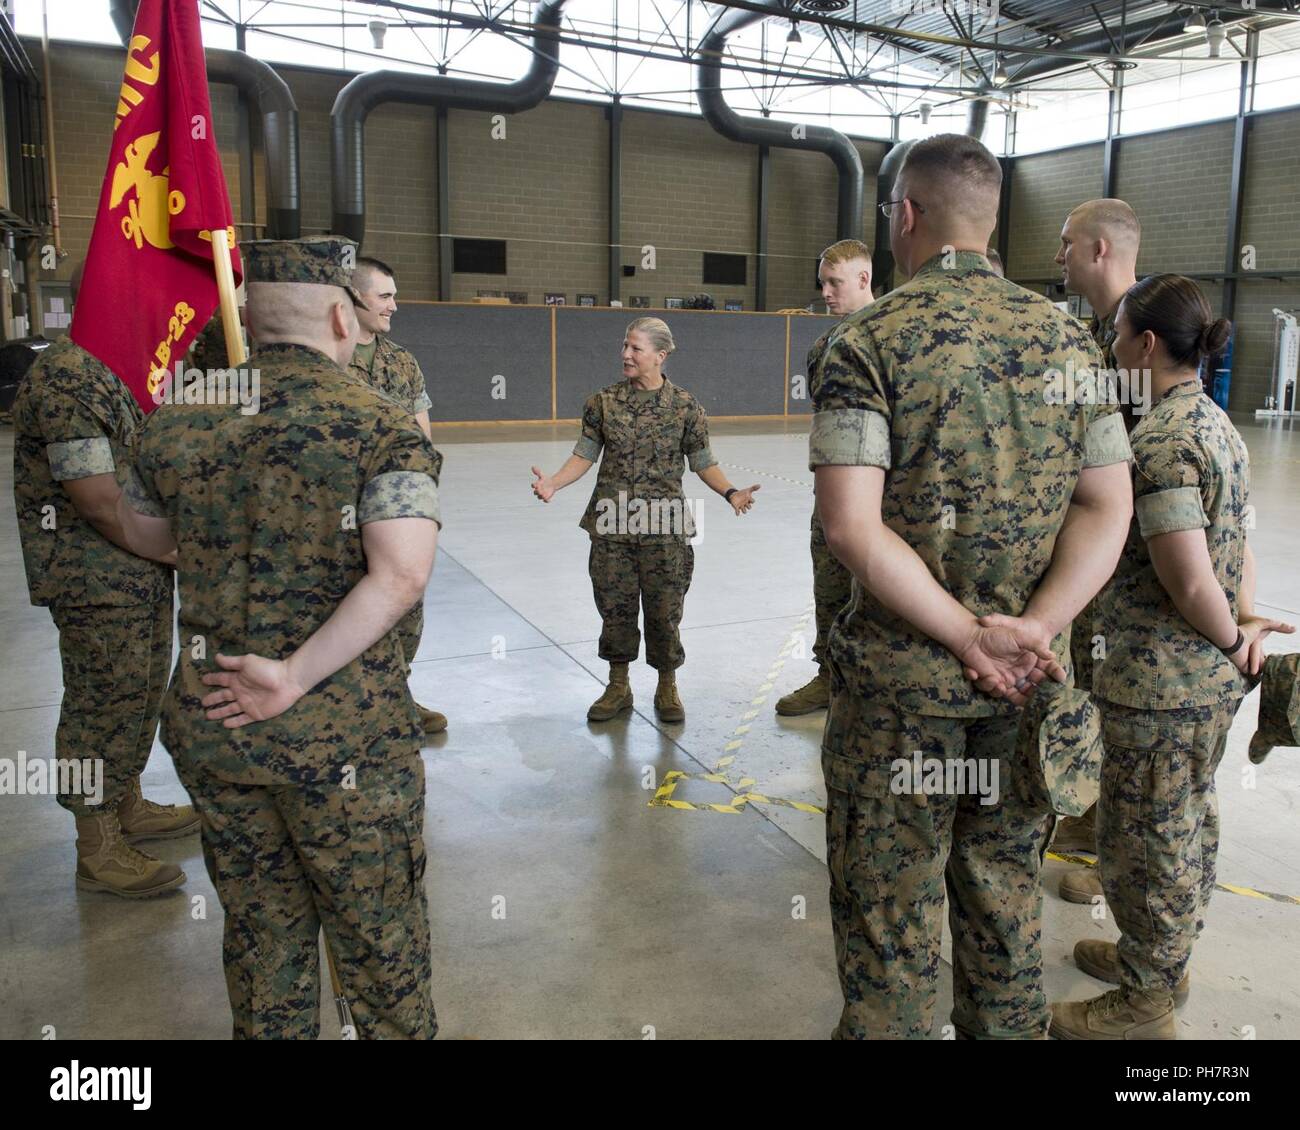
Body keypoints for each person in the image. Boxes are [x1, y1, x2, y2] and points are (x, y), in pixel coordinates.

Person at [810, 133, 1133, 1038]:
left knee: (890, 916)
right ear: (990, 225)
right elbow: (1109, 507)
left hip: (902, 699)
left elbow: (851, 526)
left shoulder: (866, 342)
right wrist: (1035, 627)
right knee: (1001, 900)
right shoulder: (1072, 339)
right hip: (1029, 690)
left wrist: (964, 635)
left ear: (906, 216)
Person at [115, 237, 443, 1039]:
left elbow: (141, 530)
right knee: (378, 941)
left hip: (216, 724)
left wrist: (236, 543)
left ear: (250, 322)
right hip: (344, 735)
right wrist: (294, 673)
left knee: (264, 937)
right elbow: (400, 575)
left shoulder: (174, 420)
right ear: (341, 315)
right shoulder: (381, 425)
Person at [1050, 275, 1293, 1040]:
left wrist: (1230, 637)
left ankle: (1145, 1003)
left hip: (1160, 684)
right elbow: (1236, 548)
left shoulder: (1159, 442)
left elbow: (1186, 573)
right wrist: (1241, 624)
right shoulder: (1214, 424)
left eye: (1117, 335)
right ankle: (1158, 962)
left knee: (1145, 841)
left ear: (1145, 346)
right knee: (1181, 823)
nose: (1109, 347)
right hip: (1193, 681)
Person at [12, 259, 196, 899]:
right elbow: (95, 498)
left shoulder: (122, 371)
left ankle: (128, 804)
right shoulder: (69, 377)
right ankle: (95, 845)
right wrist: (174, 549)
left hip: (135, 568)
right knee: (101, 698)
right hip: (94, 575)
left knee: (141, 690)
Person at [531, 316, 759, 724]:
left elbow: (703, 462)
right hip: (612, 524)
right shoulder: (602, 403)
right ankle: (618, 686)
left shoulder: (686, 407)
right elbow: (584, 454)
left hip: (665, 527)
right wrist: (554, 483)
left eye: (635, 348)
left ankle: (667, 685)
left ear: (660, 355)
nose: (626, 355)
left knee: (664, 609)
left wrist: (730, 492)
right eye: (624, 346)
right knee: (614, 608)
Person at [1052, 198, 1142, 894]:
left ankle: (1116, 862)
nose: (1059, 256)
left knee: (1126, 704)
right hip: (1097, 559)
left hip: (1140, 559)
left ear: (1101, 249)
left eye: (1068, 243)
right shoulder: (1093, 332)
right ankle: (1088, 819)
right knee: (1092, 687)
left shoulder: (1146, 336)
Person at [775, 239, 873, 717]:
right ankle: (829, 675)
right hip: (833, 496)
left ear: (864, 279)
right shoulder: (824, 347)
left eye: (836, 282)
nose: (826, 292)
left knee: (880, 591)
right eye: (823, 283)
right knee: (830, 585)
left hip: (886, 498)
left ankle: (872, 687)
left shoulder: (894, 337)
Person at [348, 256, 445, 738]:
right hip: (340, 516)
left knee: (405, 608)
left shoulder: (401, 362)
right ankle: (353, 710)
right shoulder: (327, 360)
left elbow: (421, 437)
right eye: (384, 296)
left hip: (396, 514)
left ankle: (396, 696)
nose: (394, 306)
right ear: (354, 297)